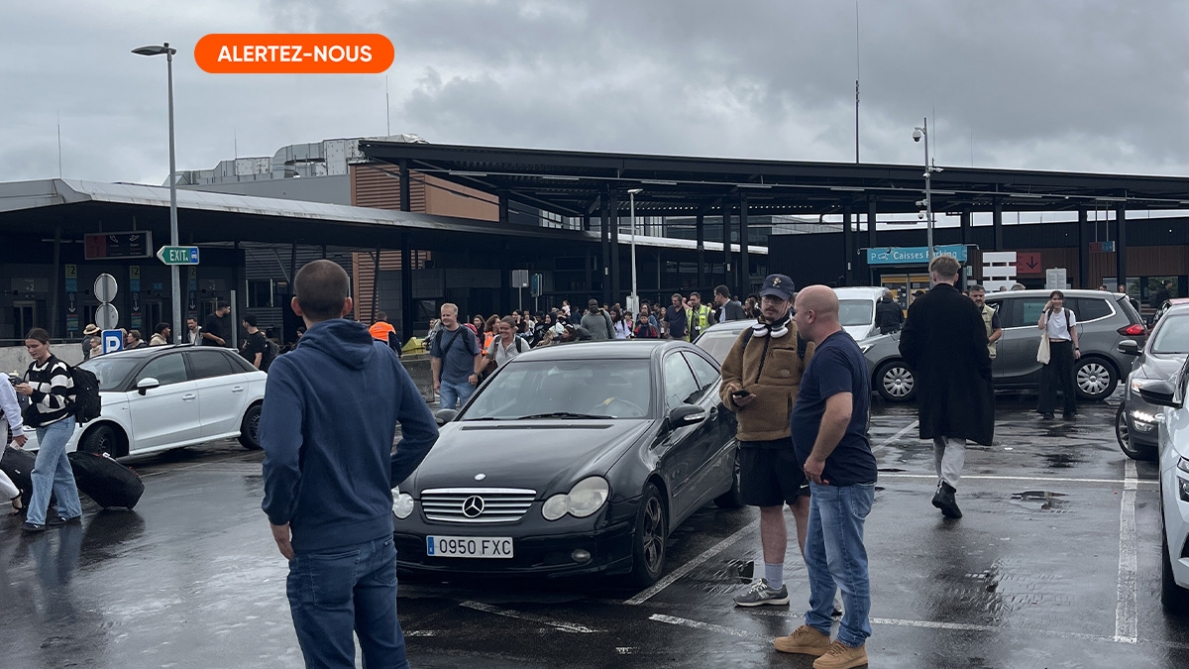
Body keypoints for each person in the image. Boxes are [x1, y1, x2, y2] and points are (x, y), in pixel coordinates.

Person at [259, 259, 438, 669]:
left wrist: (279, 514)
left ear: (294, 306)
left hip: (322, 541)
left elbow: (283, 457)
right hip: (377, 533)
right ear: (348, 304)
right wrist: (382, 479)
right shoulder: (383, 358)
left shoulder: (290, 369)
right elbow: (425, 432)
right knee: (387, 651)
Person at [775, 286, 876, 669]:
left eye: (797, 312)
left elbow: (840, 413)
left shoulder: (833, 353)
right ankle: (817, 628)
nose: (793, 318)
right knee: (818, 553)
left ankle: (853, 640)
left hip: (841, 477)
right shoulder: (838, 348)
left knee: (847, 562)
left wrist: (816, 459)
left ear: (812, 316)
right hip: (829, 480)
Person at [721, 274, 816, 609]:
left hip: (791, 441)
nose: (771, 305)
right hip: (752, 438)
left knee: (803, 509)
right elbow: (728, 376)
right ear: (759, 301)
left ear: (790, 303)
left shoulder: (802, 339)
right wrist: (733, 395)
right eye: (767, 298)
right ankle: (774, 586)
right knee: (768, 510)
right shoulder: (747, 337)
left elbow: (815, 385)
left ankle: (824, 590)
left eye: (778, 299)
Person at [898, 259, 995, 520]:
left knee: (939, 435)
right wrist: (984, 373)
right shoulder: (967, 306)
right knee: (957, 436)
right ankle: (947, 487)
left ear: (932, 275)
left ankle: (943, 486)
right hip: (963, 380)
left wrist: (922, 366)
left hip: (931, 380)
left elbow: (906, 345)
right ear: (956, 276)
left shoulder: (919, 306)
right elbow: (980, 345)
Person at [13, 329, 84, 533]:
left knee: (41, 470)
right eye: (28, 347)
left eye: (35, 346)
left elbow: (59, 401)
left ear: (46, 344)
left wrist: (32, 392)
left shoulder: (58, 368)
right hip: (45, 424)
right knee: (61, 469)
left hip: (60, 423)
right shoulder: (33, 367)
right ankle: (71, 511)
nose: (31, 350)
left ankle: (35, 519)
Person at [1037, 290, 1080, 420]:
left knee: (1067, 379)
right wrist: (1045, 309)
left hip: (1065, 346)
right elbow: (1040, 326)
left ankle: (1069, 409)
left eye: (1058, 299)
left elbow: (1073, 331)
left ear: (1062, 300)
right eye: (1054, 299)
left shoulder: (1068, 313)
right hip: (1051, 346)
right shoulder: (1048, 313)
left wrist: (1076, 347)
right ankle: (1048, 410)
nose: (1056, 301)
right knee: (1049, 379)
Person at [431, 303, 483, 410]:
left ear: (455, 316)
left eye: (448, 315)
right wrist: (436, 380)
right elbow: (436, 358)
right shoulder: (439, 335)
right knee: (445, 413)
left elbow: (477, 354)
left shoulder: (467, 333)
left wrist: (475, 374)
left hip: (466, 380)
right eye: (443, 315)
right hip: (447, 381)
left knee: (468, 412)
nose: (445, 318)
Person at [1, 376, 28, 515]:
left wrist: (18, 431)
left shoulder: (1, 379)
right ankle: (16, 495)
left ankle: (16, 495)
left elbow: (11, 406)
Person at [969, 284, 1003, 361]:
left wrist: (986, 341)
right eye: (975, 296)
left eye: (981, 296)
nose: (978, 298)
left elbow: (998, 331)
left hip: (986, 352)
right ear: (969, 296)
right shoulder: (964, 311)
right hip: (968, 353)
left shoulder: (991, 312)